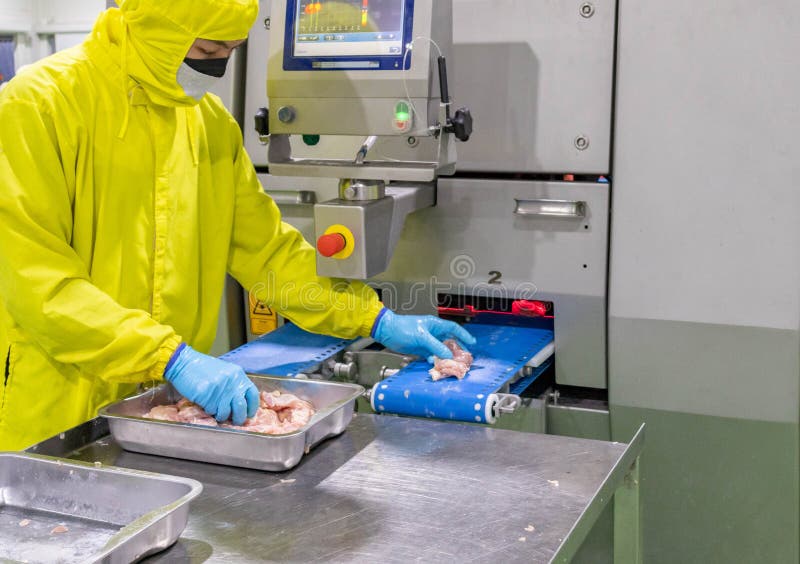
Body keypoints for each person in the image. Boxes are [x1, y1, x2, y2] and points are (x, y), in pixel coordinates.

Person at [0, 0, 475, 450]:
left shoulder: (208, 124)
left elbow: (269, 255)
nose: (217, 67)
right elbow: (40, 286)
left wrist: (373, 319)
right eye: (207, 51)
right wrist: (171, 357)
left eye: (230, 51)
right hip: (54, 410)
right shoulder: (38, 107)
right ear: (156, 30)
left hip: (162, 409)